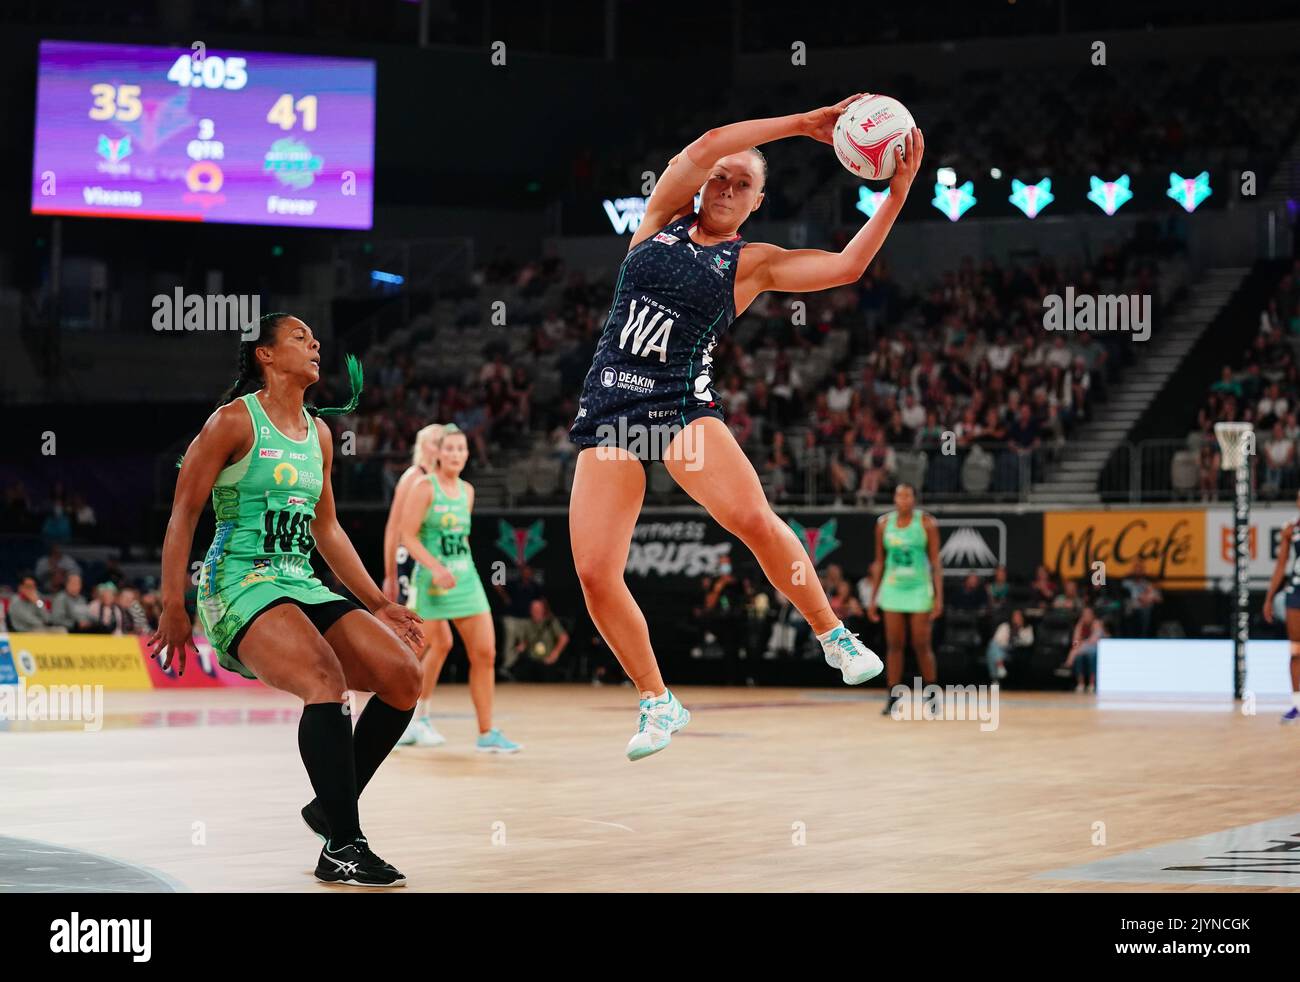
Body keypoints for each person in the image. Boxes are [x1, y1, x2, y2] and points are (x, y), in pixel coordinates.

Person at [567, 98, 922, 758]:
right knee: (593, 571)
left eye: (744, 184)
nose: (727, 187)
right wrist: (803, 124)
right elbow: (705, 141)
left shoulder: (751, 261)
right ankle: (657, 700)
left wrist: (896, 194)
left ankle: (832, 634)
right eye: (721, 177)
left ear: (758, 201)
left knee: (750, 518)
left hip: (678, 407)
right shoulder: (659, 221)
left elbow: (846, 267)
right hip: (611, 408)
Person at [151, 313, 424, 888]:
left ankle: (331, 808)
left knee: (403, 677)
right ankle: (345, 845)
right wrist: (172, 604)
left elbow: (327, 528)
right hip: (238, 582)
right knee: (324, 679)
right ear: (265, 356)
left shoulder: (319, 433)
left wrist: (377, 601)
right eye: (299, 338)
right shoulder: (232, 422)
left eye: (315, 338)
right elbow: (184, 513)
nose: (315, 344)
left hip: (299, 580)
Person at [398, 424, 521, 753]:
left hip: (465, 581)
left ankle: (486, 732)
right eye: (449, 448)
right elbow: (407, 536)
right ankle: (400, 720)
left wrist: (461, 570)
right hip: (432, 584)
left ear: (468, 454)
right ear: (437, 452)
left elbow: (461, 538)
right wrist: (435, 568)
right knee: (420, 653)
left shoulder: (467, 491)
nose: (455, 454)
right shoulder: (424, 487)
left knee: (486, 654)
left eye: (461, 448)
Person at [382, 423, 451, 747]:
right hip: (407, 564)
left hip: (421, 565)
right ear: (427, 447)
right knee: (418, 642)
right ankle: (400, 716)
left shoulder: (435, 483)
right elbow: (393, 530)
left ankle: (416, 717)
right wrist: (390, 576)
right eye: (439, 444)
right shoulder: (413, 477)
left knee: (438, 642)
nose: (445, 450)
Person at [869, 483, 944, 715]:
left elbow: (935, 563)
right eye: (899, 495)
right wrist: (873, 597)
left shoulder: (926, 523)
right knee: (894, 644)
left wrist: (939, 597)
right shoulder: (883, 524)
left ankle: (931, 695)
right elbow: (879, 562)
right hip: (893, 589)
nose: (903, 499)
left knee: (921, 643)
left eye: (907, 495)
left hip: (919, 588)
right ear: (894, 499)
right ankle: (892, 697)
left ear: (914, 499)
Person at [1264, 491, 1300, 722]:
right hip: (1296, 592)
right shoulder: (1290, 529)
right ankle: (1297, 705)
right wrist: (1269, 598)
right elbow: (1280, 566)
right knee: (1296, 651)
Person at [512, 599, 570, 682]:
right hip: (532, 661)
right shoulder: (527, 624)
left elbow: (564, 638)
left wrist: (555, 653)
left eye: (538, 609)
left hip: (547, 661)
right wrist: (522, 646)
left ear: (543, 610)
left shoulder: (551, 622)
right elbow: (525, 641)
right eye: (533, 609)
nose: (536, 611)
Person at [1064, 605, 1105, 693]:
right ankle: (1081, 684)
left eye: (1088, 614)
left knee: (1091, 656)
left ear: (1093, 615)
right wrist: (1076, 646)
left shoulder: (1096, 623)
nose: (1086, 617)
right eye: (1084, 615)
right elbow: (1075, 641)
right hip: (1082, 649)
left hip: (1094, 649)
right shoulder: (1080, 624)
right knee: (1079, 658)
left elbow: (1093, 640)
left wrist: (1078, 647)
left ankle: (1092, 684)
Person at [986, 609, 1033, 681]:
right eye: (1015, 616)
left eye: (1019, 616)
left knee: (991, 652)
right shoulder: (1005, 626)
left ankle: (995, 678)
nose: (1017, 618)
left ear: (1023, 617)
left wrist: (1019, 632)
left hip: (1016, 651)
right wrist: (1005, 641)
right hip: (1003, 649)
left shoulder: (1027, 628)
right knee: (992, 647)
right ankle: (1000, 667)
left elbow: (1029, 641)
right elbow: (996, 640)